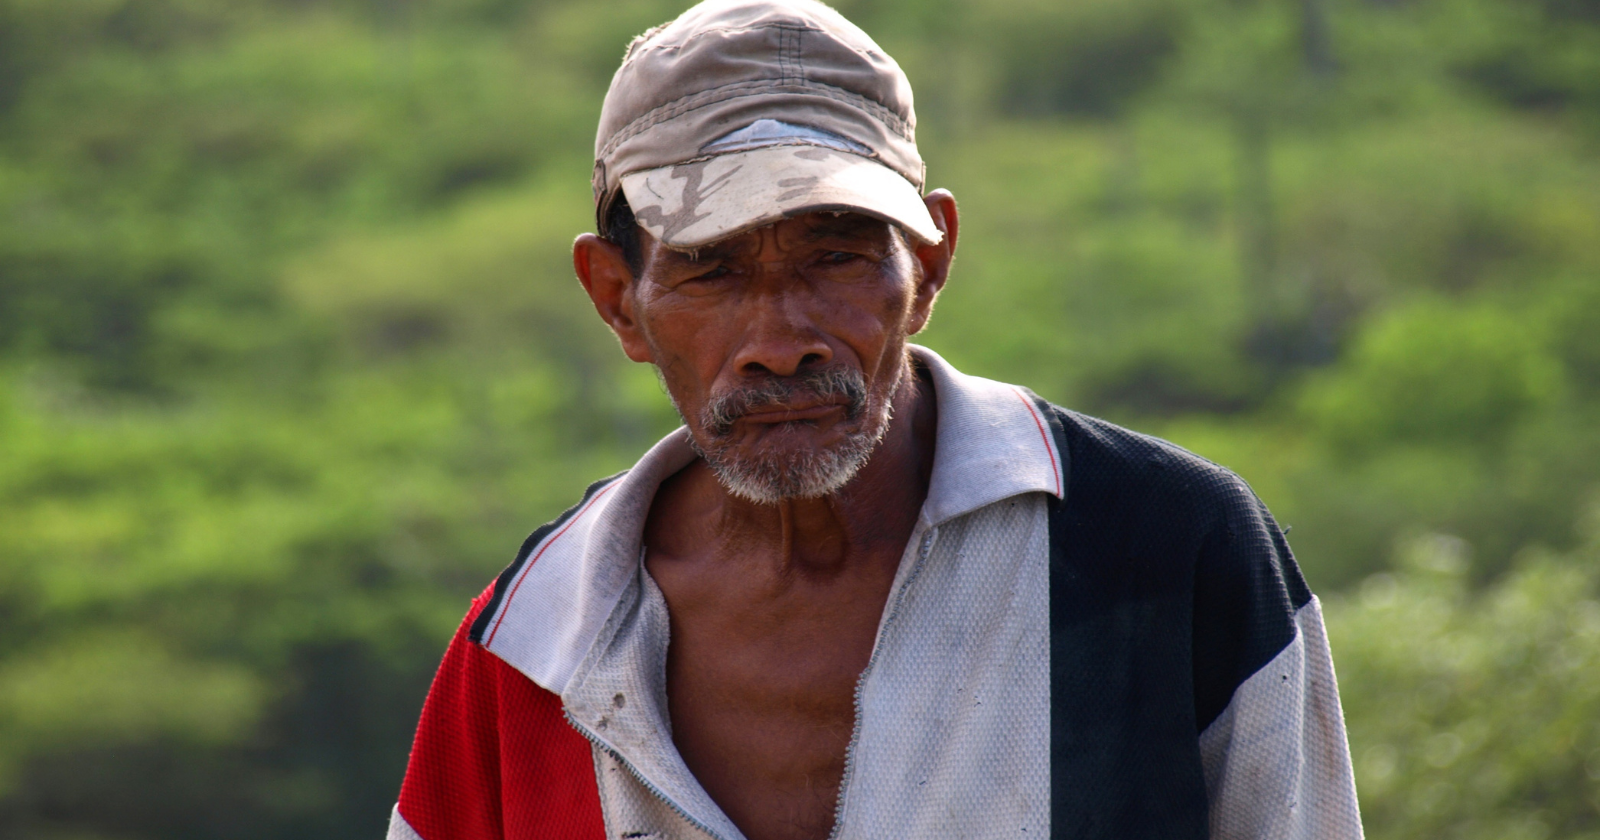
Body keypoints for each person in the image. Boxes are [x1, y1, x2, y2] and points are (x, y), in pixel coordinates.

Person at [386, 1, 1364, 838]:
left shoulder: (1165, 547)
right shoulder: (531, 646)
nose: (780, 339)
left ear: (930, 264)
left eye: (838, 255)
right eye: (711, 270)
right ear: (616, 302)